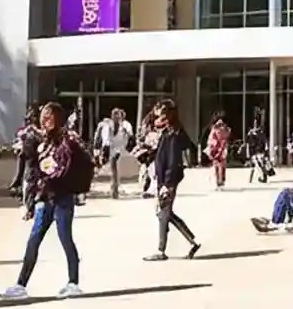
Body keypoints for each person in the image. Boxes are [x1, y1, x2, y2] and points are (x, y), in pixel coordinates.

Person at [0, 102, 87, 300]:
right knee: (33, 239)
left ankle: (73, 282)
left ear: (58, 118)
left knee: (65, 239)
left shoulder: (67, 140)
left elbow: (67, 168)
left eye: (49, 116)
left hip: (62, 198)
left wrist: (53, 179)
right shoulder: (42, 141)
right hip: (45, 199)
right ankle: (21, 284)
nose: (44, 120)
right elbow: (34, 170)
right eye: (43, 116)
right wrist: (30, 198)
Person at [144, 99, 202, 261]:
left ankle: (161, 250)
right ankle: (192, 241)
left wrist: (167, 184)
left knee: (163, 213)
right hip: (164, 179)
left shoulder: (173, 134)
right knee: (165, 213)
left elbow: (172, 161)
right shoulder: (168, 132)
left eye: (161, 115)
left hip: (168, 180)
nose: (157, 119)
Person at [94, 108, 133, 199]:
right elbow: (102, 137)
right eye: (115, 114)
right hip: (109, 148)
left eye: (118, 114)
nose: (116, 116)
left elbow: (129, 136)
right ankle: (114, 189)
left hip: (119, 149)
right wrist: (100, 148)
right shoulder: (107, 125)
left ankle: (114, 189)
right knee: (112, 168)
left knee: (114, 169)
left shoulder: (124, 126)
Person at [206, 111, 231, 190]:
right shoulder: (214, 129)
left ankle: (221, 181)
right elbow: (211, 139)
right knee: (217, 166)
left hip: (222, 148)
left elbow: (226, 137)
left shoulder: (226, 129)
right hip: (216, 149)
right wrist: (211, 147)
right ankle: (218, 182)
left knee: (222, 166)